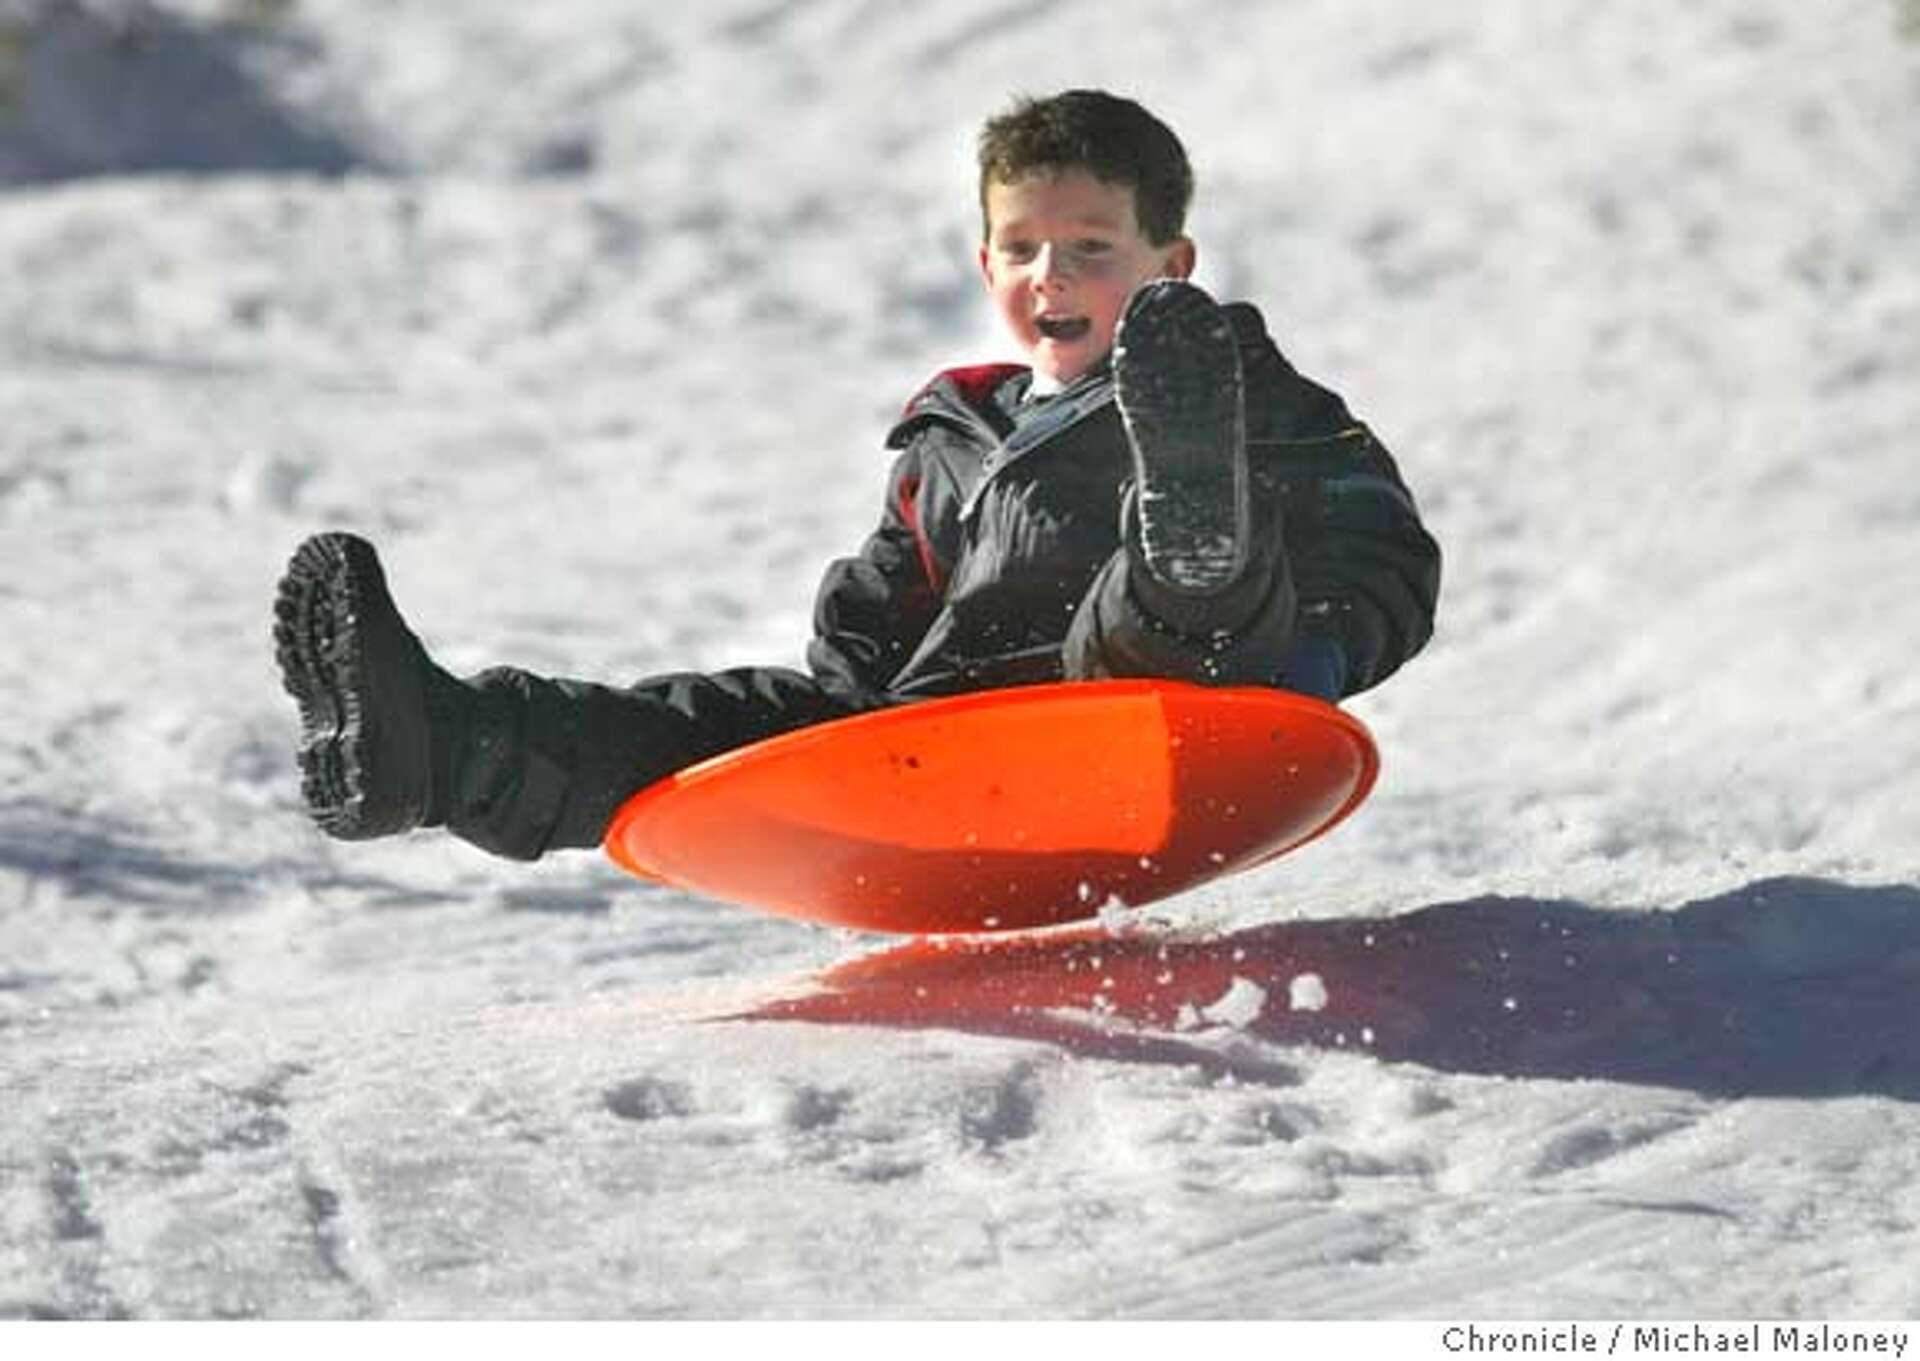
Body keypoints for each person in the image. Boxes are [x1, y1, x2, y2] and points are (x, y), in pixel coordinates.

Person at [273, 89, 1441, 863]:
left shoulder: (1244, 394)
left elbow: (1380, 551)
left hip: (1156, 729)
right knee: (722, 724)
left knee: (1143, 616)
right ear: (985, 263)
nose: (1051, 272)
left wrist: (1310, 663)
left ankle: (1193, 551)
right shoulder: (956, 430)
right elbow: (878, 624)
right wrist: (838, 700)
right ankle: (435, 748)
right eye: (1023, 247)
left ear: (1172, 264)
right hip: (950, 750)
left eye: (1093, 247)